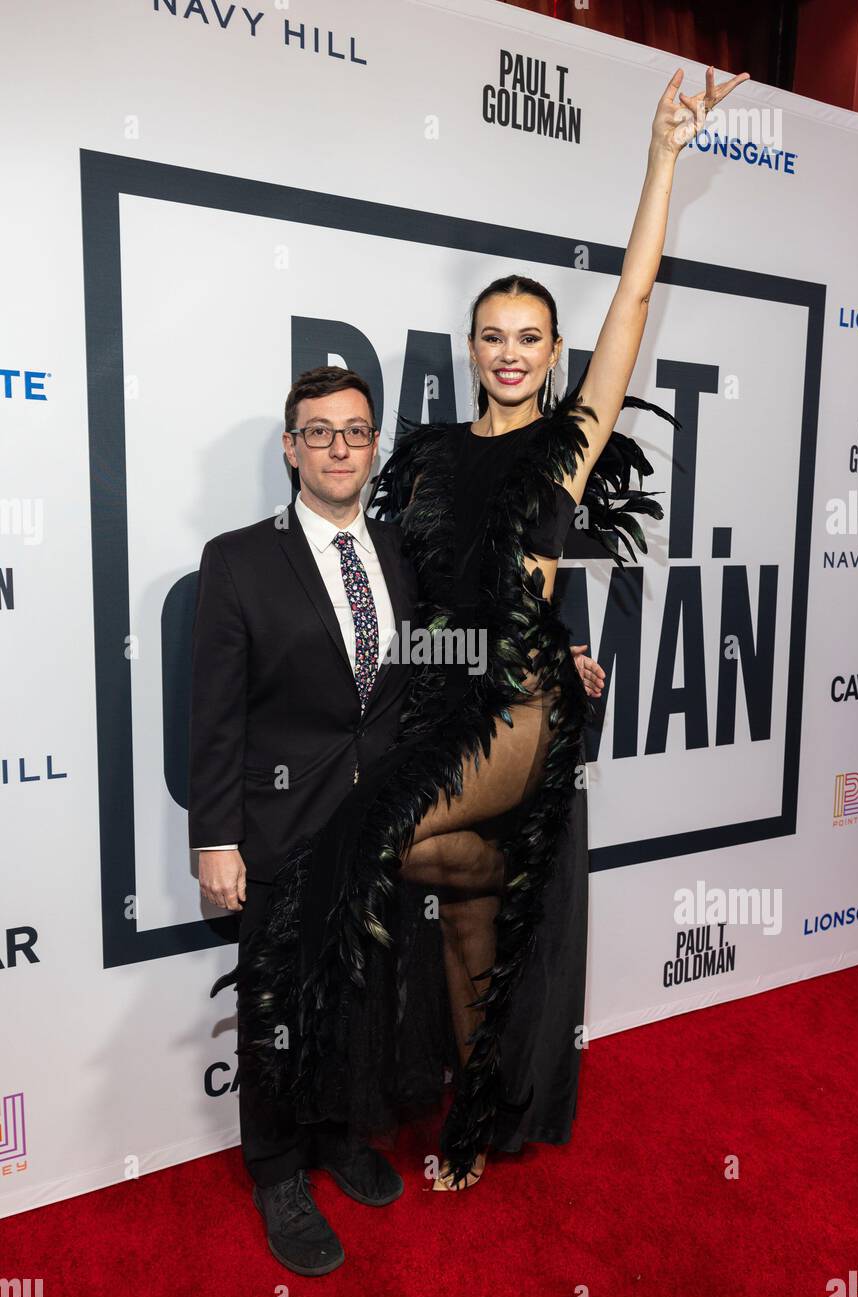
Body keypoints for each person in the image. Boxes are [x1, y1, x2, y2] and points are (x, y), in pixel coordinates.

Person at [217, 66, 749, 1194]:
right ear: (470, 347)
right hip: (444, 682)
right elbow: (407, 599)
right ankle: (473, 1107)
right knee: (463, 913)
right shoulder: (420, 456)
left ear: (553, 356)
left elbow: (638, 302)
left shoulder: (566, 440)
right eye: (493, 335)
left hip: (518, 708)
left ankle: (350, 1096)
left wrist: (661, 156)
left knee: (363, 833)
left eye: (531, 337)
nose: (511, 352)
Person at [190, 365, 605, 1274]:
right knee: (278, 1005)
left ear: (375, 448)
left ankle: (338, 1137)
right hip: (282, 822)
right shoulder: (238, 559)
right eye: (319, 431)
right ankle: (278, 1171)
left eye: (355, 431)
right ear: (291, 447)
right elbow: (214, 716)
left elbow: (461, 634)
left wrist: (554, 646)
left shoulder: (399, 552)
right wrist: (215, 839)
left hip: (384, 818)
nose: (339, 446)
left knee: (360, 988)